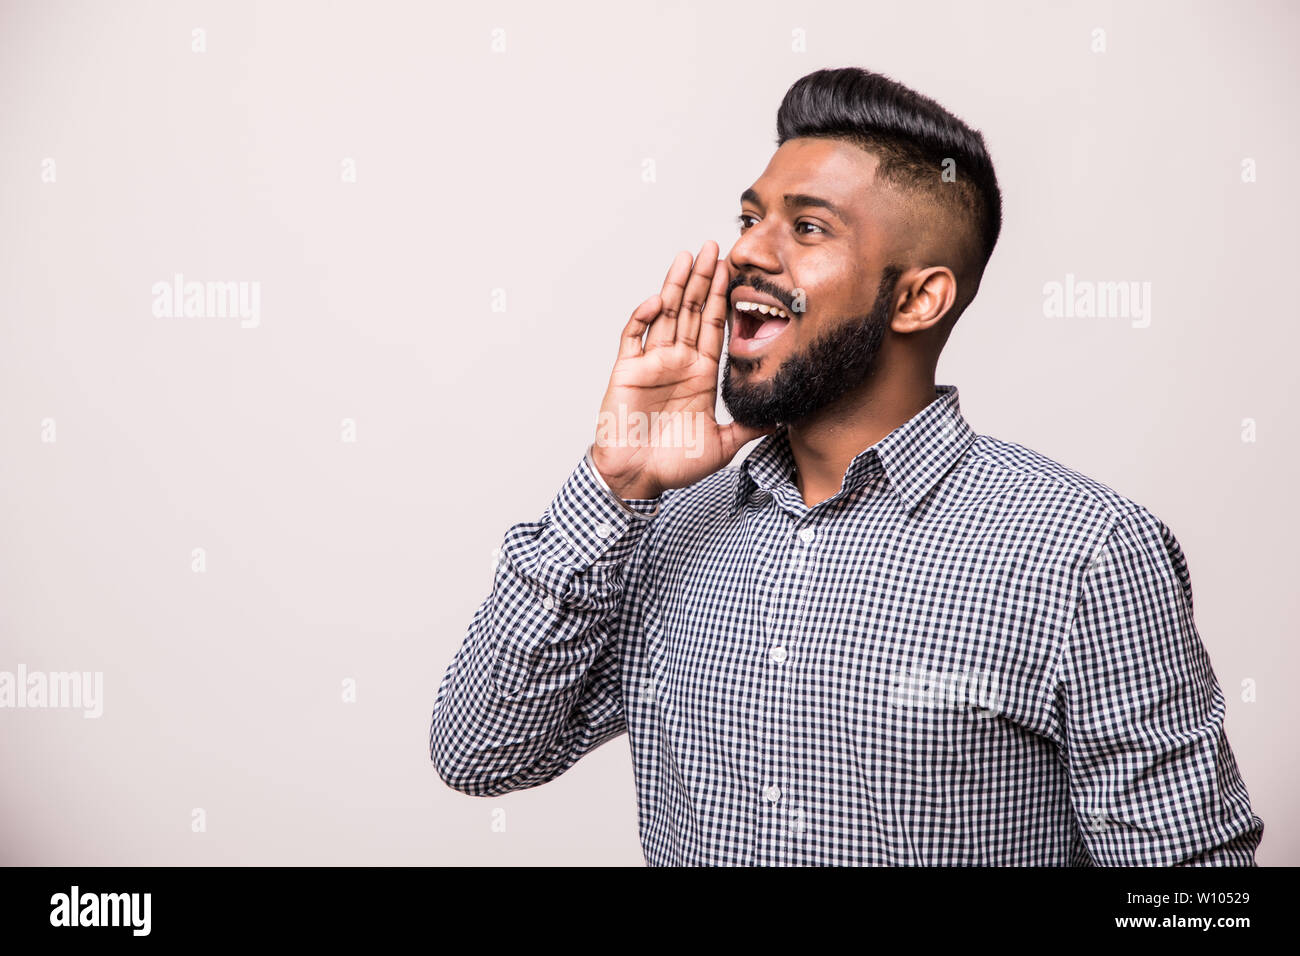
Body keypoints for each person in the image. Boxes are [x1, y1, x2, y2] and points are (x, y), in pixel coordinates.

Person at [429, 67, 1264, 866]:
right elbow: (479, 753)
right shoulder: (662, 524)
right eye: (749, 217)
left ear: (916, 299)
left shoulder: (1086, 553)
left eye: (807, 226)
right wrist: (613, 488)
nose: (745, 253)